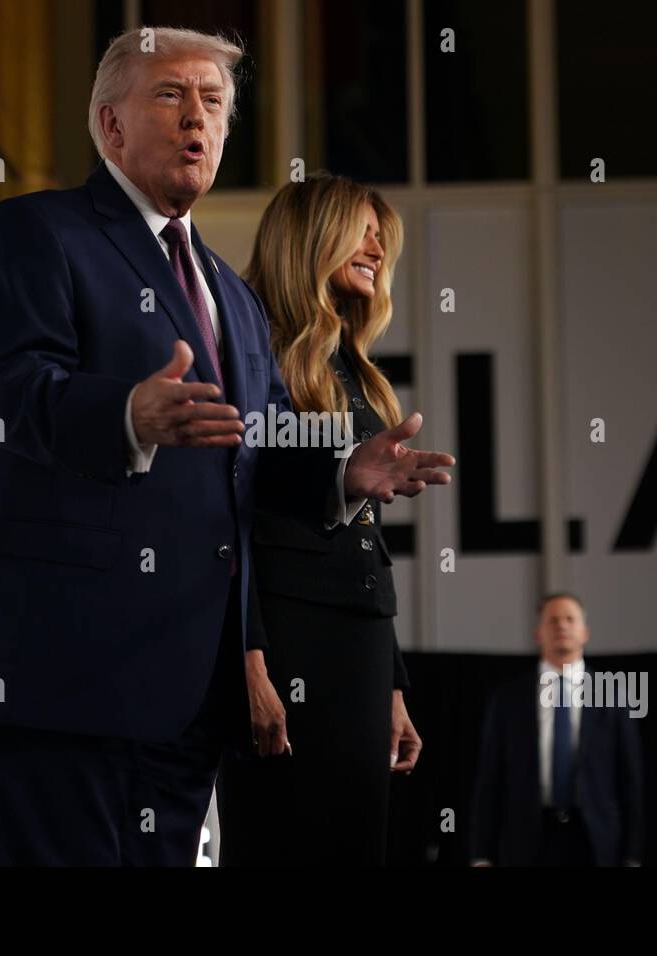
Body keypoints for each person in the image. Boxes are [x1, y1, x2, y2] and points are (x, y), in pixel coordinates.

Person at [0, 27, 453, 866]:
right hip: (53, 665)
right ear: (109, 126)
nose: (198, 118)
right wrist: (126, 414)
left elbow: (252, 446)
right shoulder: (35, 233)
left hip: (186, 689)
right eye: (171, 95)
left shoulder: (234, 296)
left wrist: (341, 470)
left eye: (215, 104)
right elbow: (7, 395)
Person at [214, 174, 421, 866]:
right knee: (279, 840)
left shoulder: (357, 369)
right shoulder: (244, 343)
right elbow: (225, 514)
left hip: (359, 645)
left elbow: (368, 539)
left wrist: (391, 683)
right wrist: (246, 658)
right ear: (310, 237)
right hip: (282, 635)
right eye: (359, 230)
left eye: (379, 236)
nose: (375, 246)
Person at [469, 594, 643, 866]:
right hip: (527, 839)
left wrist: (633, 854)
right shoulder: (508, 699)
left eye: (570, 619)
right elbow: (490, 779)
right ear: (538, 633)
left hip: (596, 840)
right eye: (552, 620)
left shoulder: (614, 696)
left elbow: (630, 779)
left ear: (585, 632)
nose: (561, 626)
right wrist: (481, 854)